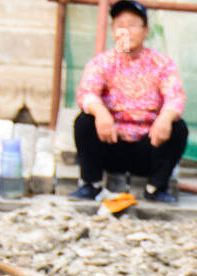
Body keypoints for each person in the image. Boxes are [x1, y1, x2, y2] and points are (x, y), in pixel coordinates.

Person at [70, 0, 186, 204]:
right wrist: (101, 113)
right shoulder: (102, 62)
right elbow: (86, 92)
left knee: (178, 127)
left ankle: (156, 188)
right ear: (113, 31)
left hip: (149, 143)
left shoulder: (162, 64)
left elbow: (175, 96)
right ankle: (91, 184)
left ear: (146, 31)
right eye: (120, 25)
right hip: (112, 141)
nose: (126, 31)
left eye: (133, 25)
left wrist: (165, 117)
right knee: (84, 121)